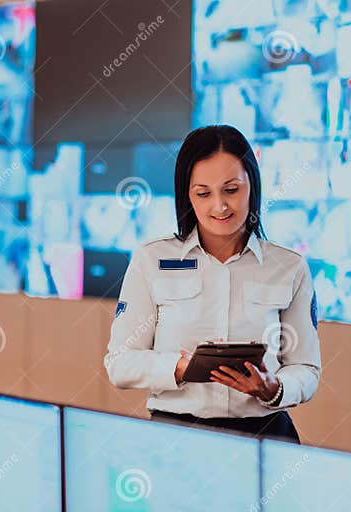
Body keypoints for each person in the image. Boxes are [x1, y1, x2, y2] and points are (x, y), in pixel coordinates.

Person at [104, 125, 322, 443]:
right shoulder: (151, 260)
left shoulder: (289, 267)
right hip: (176, 434)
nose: (219, 206)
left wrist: (274, 388)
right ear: (187, 195)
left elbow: (306, 367)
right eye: (203, 194)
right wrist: (181, 367)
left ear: (253, 186)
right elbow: (119, 363)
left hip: (265, 436)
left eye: (231, 190)